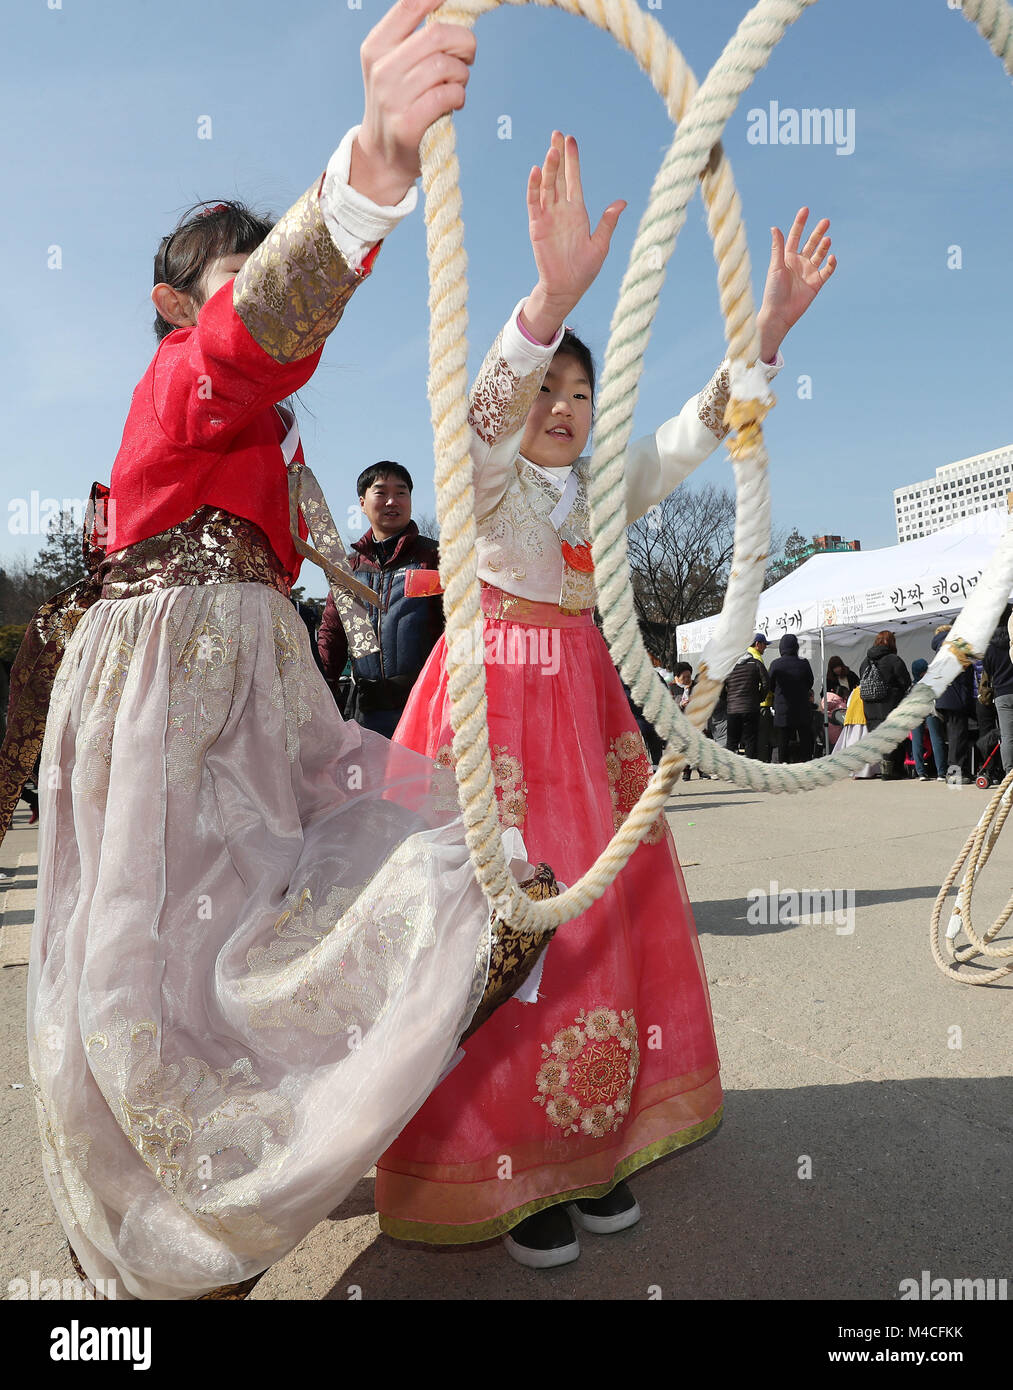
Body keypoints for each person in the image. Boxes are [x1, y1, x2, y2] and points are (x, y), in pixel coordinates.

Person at [0, 0, 550, 1301]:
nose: (250, 308)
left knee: (397, 892)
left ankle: (277, 1147)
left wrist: (378, 591)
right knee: (159, 973)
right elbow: (251, 336)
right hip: (166, 724)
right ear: (171, 307)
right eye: (228, 283)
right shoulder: (184, 384)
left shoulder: (273, 443)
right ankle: (165, 1245)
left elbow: (323, 540)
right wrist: (366, 170)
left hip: (268, 707)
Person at [374, 132, 836, 1265]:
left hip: (584, 729)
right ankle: (501, 1162)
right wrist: (545, 300)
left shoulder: (590, 496)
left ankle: (581, 1145)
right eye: (552, 388)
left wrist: (761, 342)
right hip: (492, 725)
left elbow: (683, 438)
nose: (567, 405)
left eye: (582, 391)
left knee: (588, 927)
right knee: (500, 936)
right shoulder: (480, 481)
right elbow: (482, 418)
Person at [317, 462, 443, 736]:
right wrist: (323, 688)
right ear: (362, 503)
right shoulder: (348, 570)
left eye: (401, 493)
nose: (391, 501)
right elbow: (332, 635)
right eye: (381, 493)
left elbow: (460, 628)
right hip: (365, 713)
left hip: (425, 707)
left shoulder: (435, 558)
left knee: (422, 779)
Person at [858, 630, 911, 779]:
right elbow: (905, 681)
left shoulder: (865, 661)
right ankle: (894, 771)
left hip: (870, 707)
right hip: (890, 704)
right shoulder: (894, 659)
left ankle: (885, 769)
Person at [931, 623, 975, 782]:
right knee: (958, 737)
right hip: (956, 698)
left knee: (953, 736)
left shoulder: (939, 650)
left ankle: (956, 771)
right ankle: (955, 774)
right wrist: (966, 700)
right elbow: (964, 676)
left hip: (944, 698)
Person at [768, 633, 814, 763]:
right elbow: (810, 682)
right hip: (802, 707)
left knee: (783, 740)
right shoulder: (804, 663)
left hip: (783, 707)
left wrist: (777, 692)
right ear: (796, 647)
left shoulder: (775, 664)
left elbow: (769, 684)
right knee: (805, 739)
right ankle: (807, 764)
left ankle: (784, 765)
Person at [726, 633, 770, 759]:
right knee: (751, 740)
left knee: (732, 741)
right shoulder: (756, 663)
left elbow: (722, 686)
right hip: (751, 708)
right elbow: (766, 683)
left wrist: (728, 699)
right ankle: (749, 772)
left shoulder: (729, 667)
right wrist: (760, 698)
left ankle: (730, 771)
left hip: (732, 709)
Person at [982, 602, 1013, 777]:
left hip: (1001, 693)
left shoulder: (989, 645)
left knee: (1008, 737)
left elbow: (988, 669)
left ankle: (1009, 774)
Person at [909, 656, 945, 780]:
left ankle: (920, 772)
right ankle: (941, 772)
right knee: (936, 739)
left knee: (917, 741)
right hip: (930, 708)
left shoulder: (913, 685)